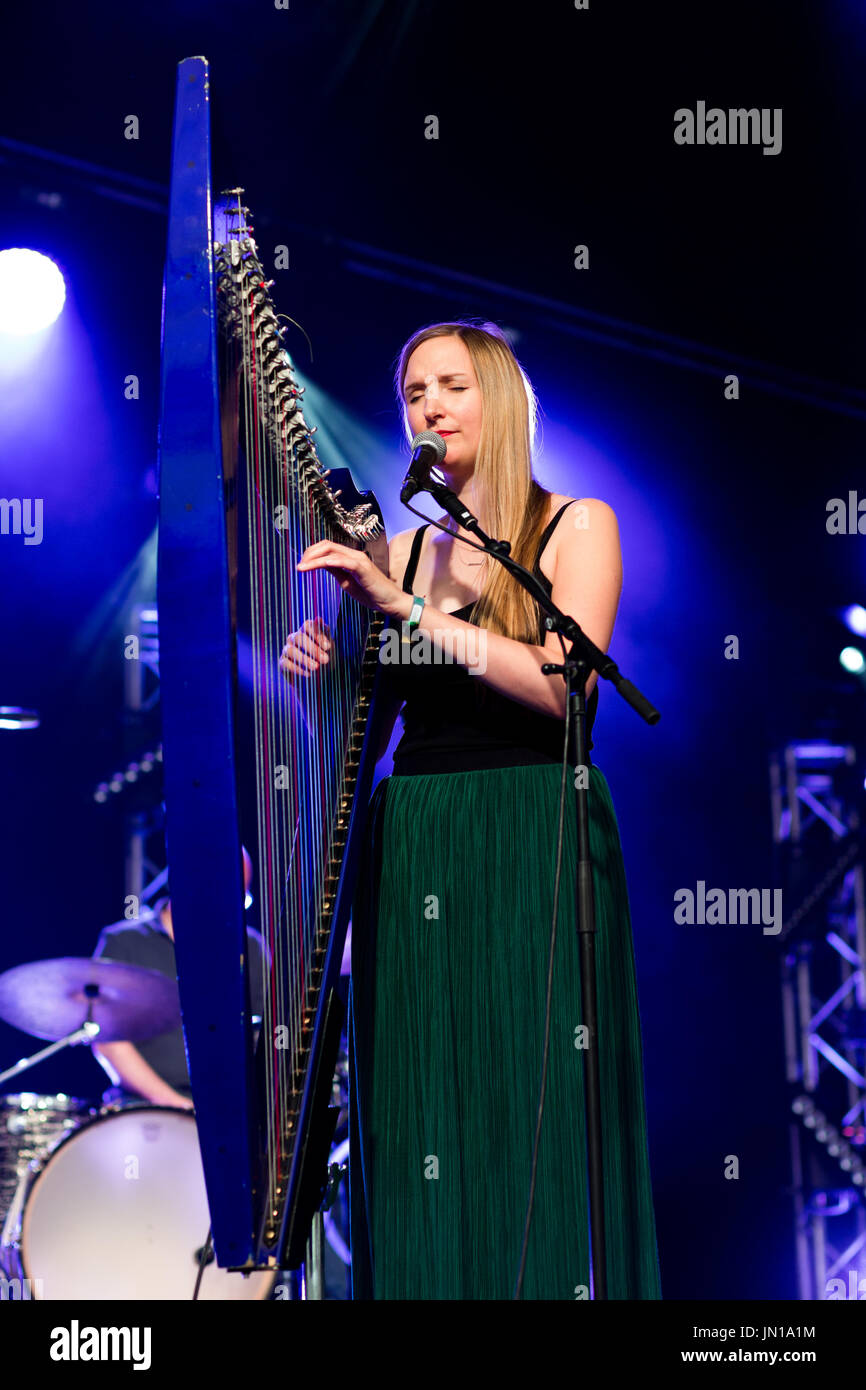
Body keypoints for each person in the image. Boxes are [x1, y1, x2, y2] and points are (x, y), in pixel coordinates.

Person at [280, 319, 661, 1299]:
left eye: (451, 386)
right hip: (414, 839)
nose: (428, 407)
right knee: (420, 1106)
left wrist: (405, 612)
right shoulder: (396, 554)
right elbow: (361, 725)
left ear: (501, 401)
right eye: (412, 393)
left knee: (529, 1100)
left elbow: (560, 689)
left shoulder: (574, 524)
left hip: (535, 820)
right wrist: (317, 674)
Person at [92, 849, 266, 1109]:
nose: (226, 907)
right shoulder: (124, 942)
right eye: (219, 894)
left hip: (230, 1112)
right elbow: (108, 1042)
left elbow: (266, 1033)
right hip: (142, 1108)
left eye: (237, 898)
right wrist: (178, 1106)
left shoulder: (249, 945)